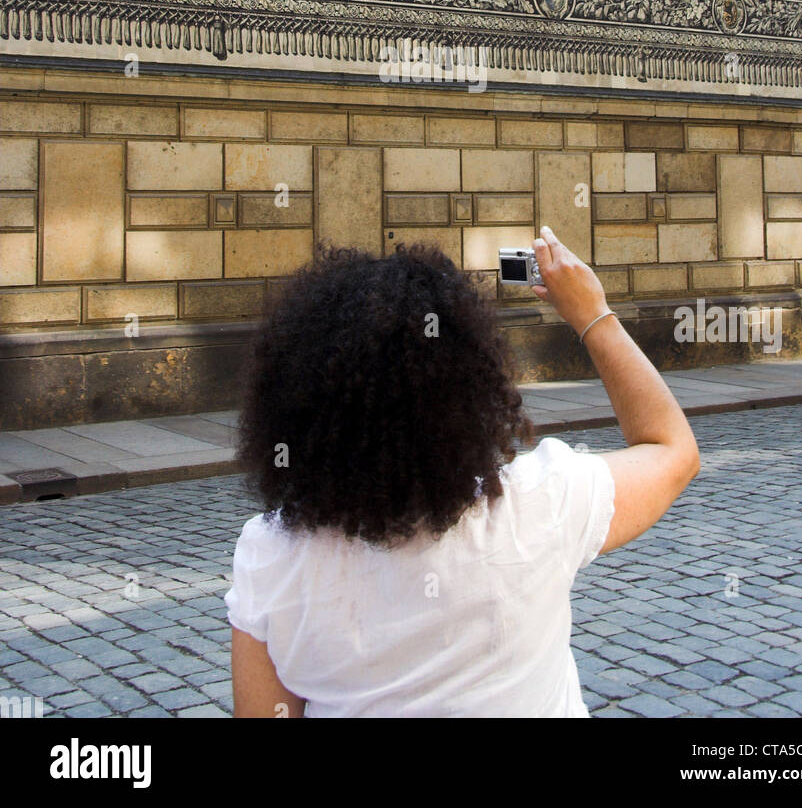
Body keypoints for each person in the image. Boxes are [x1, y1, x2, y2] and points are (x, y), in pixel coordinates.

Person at [226, 226, 700, 718]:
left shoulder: (271, 556)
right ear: (473, 389)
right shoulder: (541, 503)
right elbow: (672, 450)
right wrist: (593, 315)